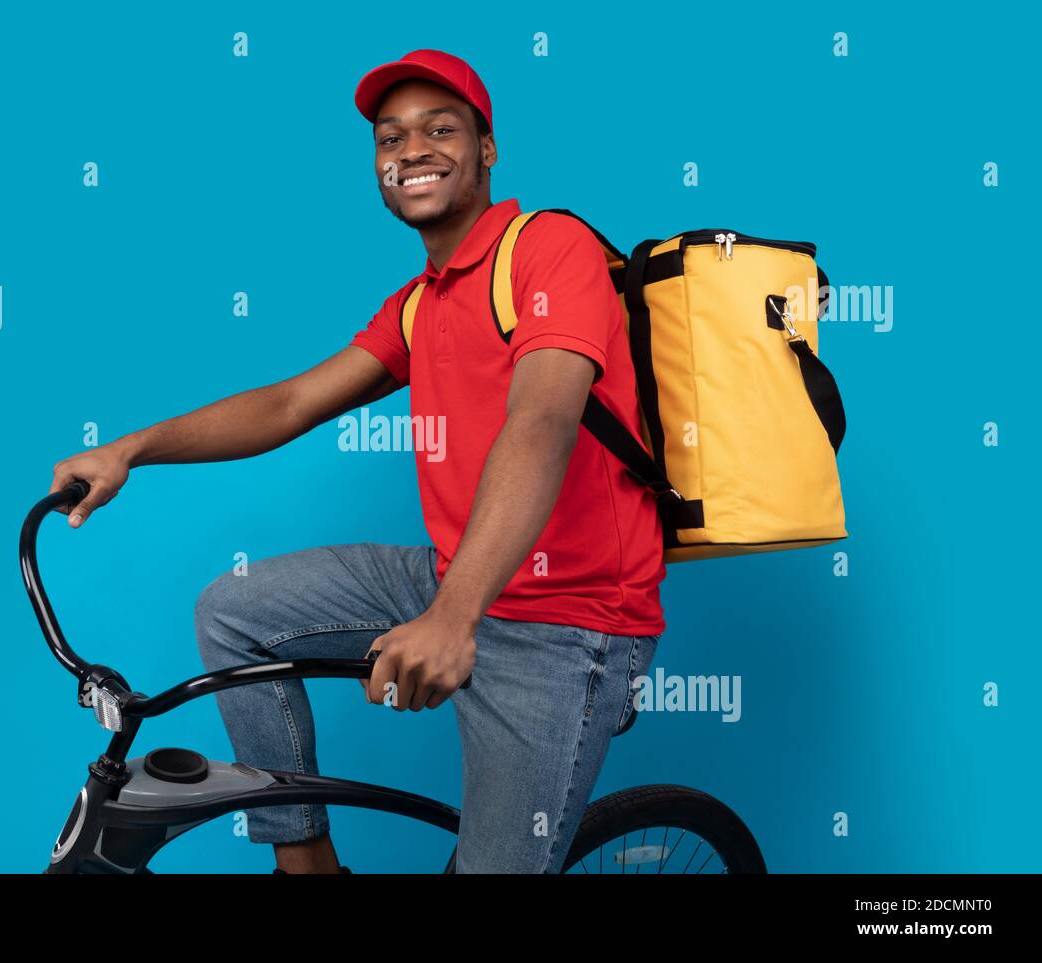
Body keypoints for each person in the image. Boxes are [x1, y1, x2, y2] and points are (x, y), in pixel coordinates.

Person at [48, 49, 666, 874]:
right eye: (390, 138)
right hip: (452, 577)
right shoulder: (421, 302)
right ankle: (306, 862)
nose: (411, 150)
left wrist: (453, 617)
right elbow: (289, 403)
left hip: (565, 624)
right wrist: (130, 449)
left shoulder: (549, 248)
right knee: (233, 611)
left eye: (440, 129)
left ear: (487, 148)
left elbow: (542, 421)